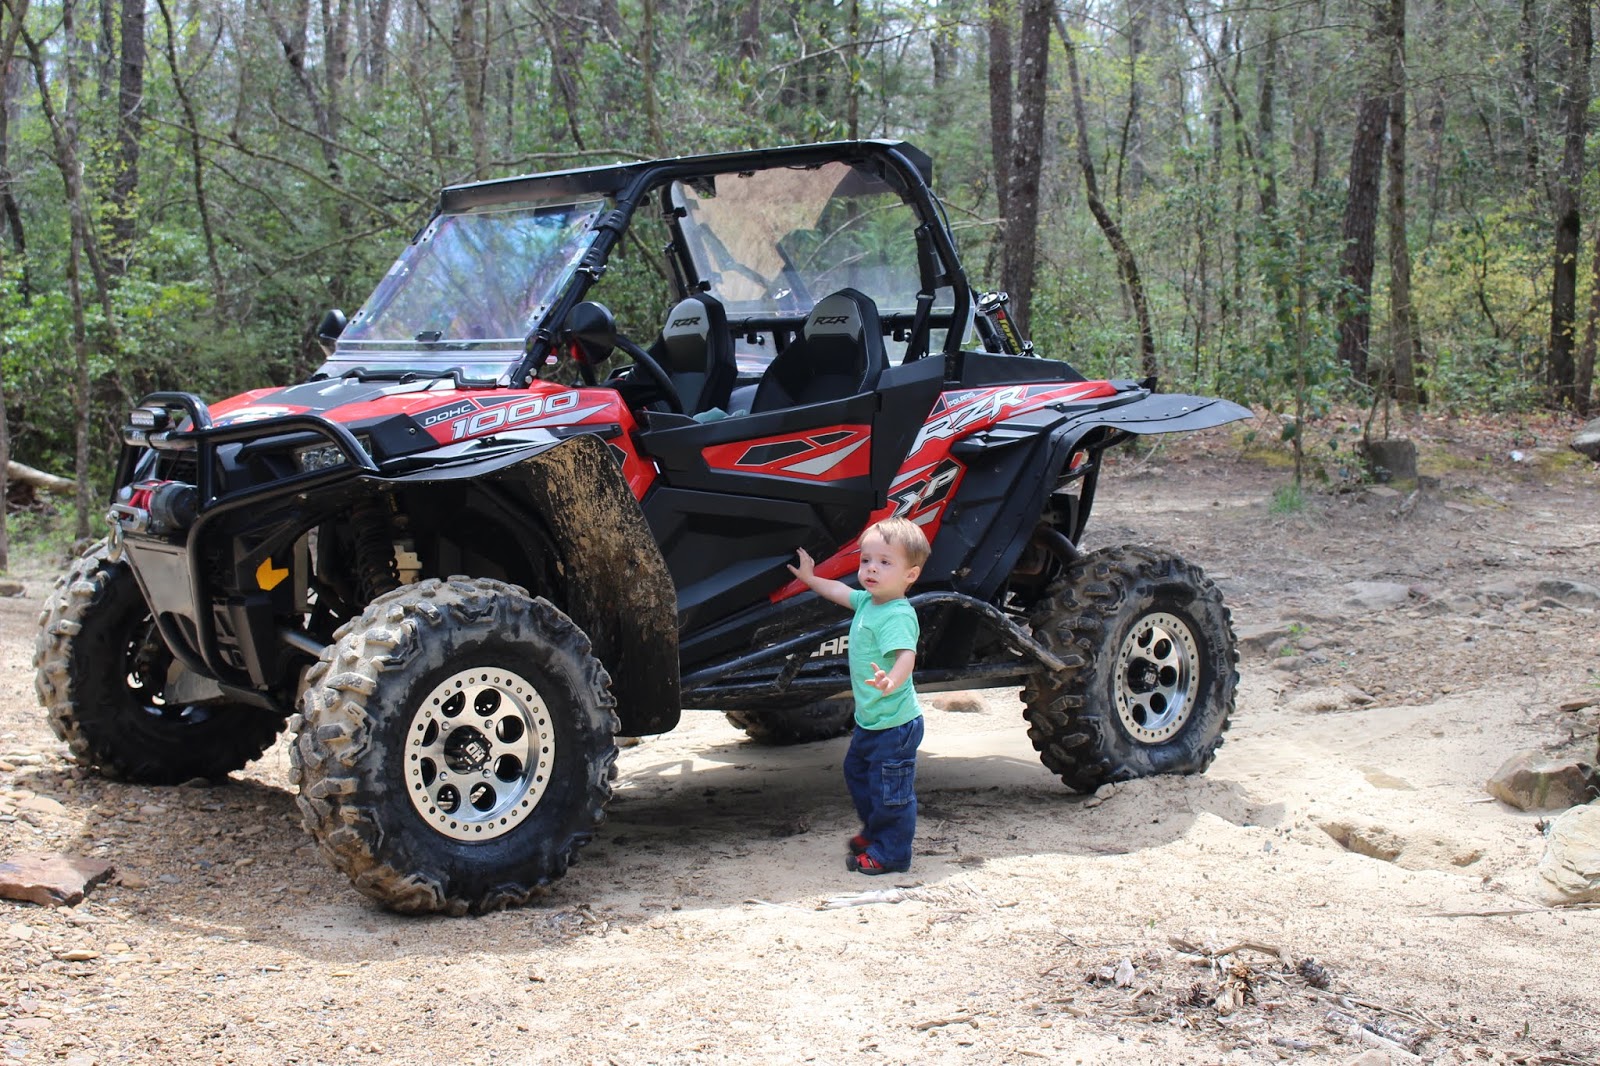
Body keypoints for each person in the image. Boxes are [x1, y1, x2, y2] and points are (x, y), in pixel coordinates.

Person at [788, 517, 930, 875]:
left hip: (896, 724)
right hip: (873, 721)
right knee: (858, 773)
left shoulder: (897, 614)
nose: (871, 569)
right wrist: (810, 579)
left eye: (885, 563)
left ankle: (893, 853)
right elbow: (838, 591)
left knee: (891, 793)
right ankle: (876, 833)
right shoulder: (869, 602)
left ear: (909, 576)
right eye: (867, 560)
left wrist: (891, 681)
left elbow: (906, 657)